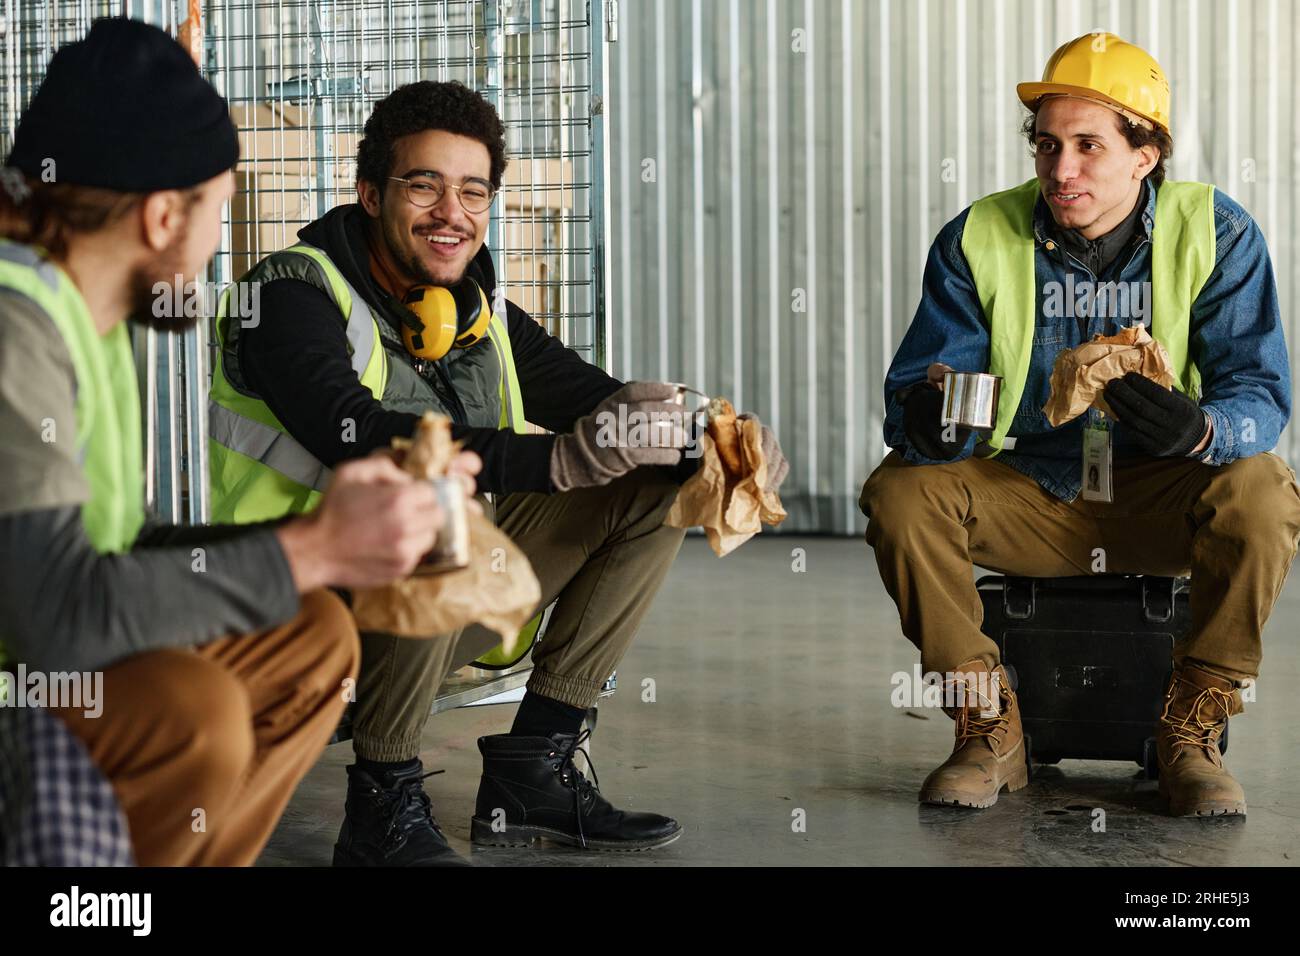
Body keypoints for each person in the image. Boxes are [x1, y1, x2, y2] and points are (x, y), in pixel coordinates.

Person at [209, 79, 790, 864]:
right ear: (370, 192)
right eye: (425, 185)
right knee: (419, 501)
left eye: (473, 191)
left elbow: (596, 398)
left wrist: (716, 438)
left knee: (651, 483)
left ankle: (535, 771)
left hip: (432, 605)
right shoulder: (290, 296)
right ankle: (381, 802)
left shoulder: (476, 309)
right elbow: (359, 434)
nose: (453, 213)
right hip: (293, 609)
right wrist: (558, 459)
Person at [0, 17, 476, 865]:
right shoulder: (15, 328)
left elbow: (116, 548)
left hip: (43, 654)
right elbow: (57, 621)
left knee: (314, 638)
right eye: (222, 210)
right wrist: (309, 547)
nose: (219, 249)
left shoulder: (90, 317)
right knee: (191, 710)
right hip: (29, 675)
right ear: (158, 216)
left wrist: (330, 552)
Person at [859, 32, 1300, 817]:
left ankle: (1190, 730)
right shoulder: (978, 236)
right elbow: (917, 396)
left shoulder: (1217, 232)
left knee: (1263, 491)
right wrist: (928, 422)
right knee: (901, 492)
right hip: (1028, 489)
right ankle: (987, 726)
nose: (1061, 171)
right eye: (1048, 145)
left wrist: (1199, 431)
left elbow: (1260, 396)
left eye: (1089, 146)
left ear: (1147, 154)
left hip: (1158, 497)